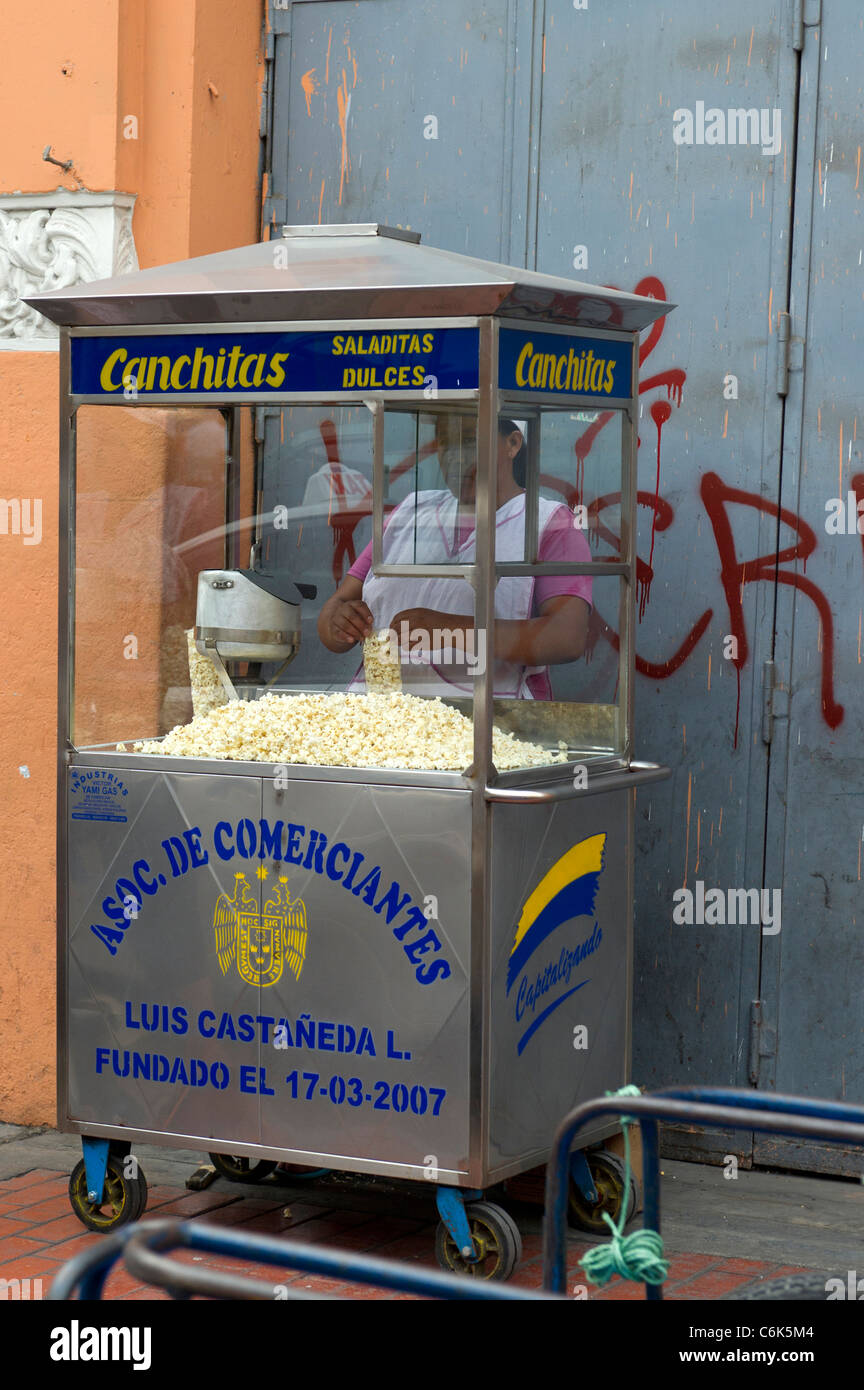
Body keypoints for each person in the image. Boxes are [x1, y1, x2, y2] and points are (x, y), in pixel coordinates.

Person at [317, 416, 592, 697]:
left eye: (470, 441)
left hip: (489, 719)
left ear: (512, 443)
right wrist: (340, 624)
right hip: (378, 719)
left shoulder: (548, 524)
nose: (456, 458)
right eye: (446, 443)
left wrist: (448, 629)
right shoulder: (410, 512)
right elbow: (336, 609)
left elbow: (567, 638)